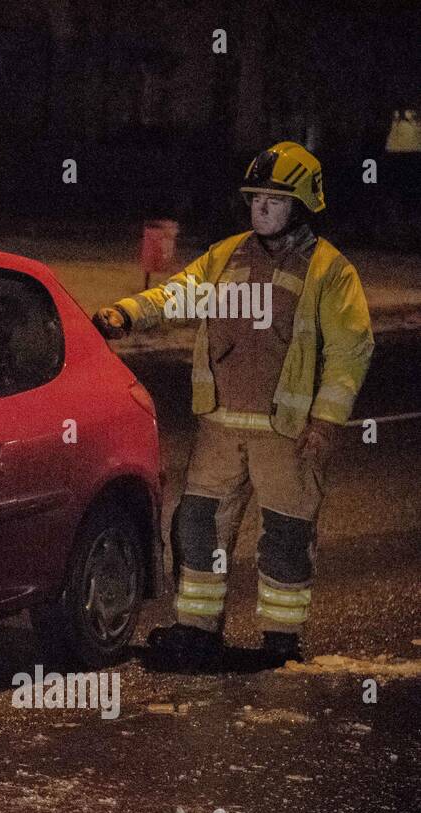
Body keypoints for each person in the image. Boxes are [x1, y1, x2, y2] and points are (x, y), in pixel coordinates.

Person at [92, 142, 374, 669]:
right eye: (256, 198)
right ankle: (198, 630)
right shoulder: (227, 256)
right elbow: (176, 296)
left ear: (303, 205)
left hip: (287, 432)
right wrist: (124, 315)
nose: (261, 208)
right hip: (222, 428)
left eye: (275, 199)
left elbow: (349, 349)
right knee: (198, 526)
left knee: (286, 536)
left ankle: (280, 641)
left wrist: (325, 420)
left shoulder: (330, 272)